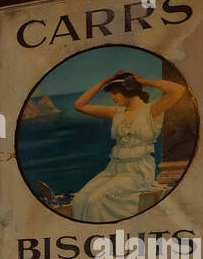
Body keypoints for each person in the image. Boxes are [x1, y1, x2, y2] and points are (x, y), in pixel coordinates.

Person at [70, 70, 186, 223]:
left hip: (138, 172)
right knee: (79, 200)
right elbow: (79, 105)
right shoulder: (115, 112)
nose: (112, 97)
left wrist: (144, 82)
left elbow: (178, 90)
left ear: (129, 91)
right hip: (114, 168)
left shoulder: (152, 110)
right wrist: (106, 80)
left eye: (116, 93)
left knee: (95, 200)